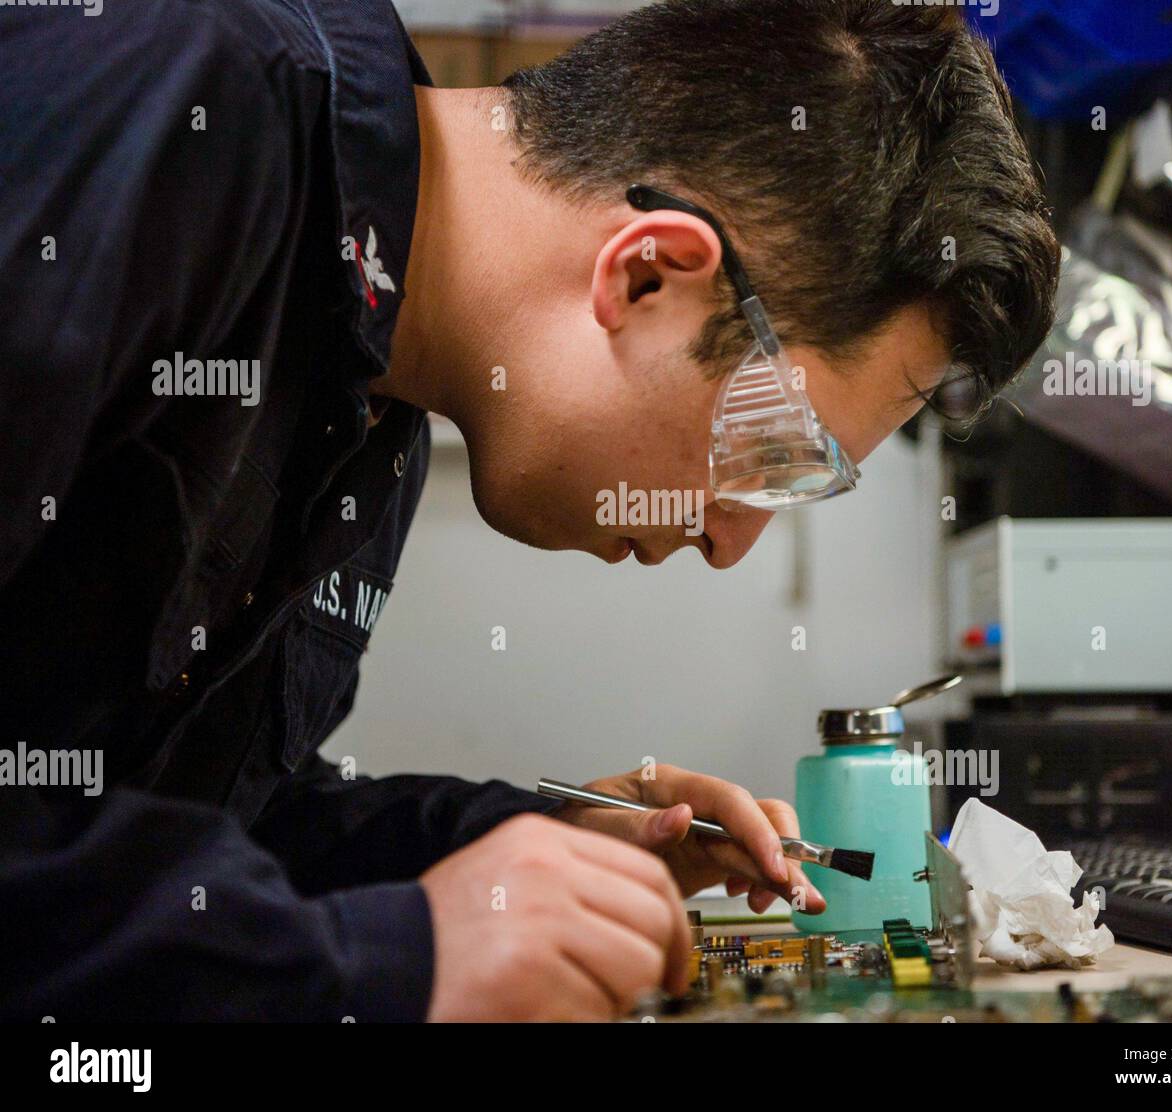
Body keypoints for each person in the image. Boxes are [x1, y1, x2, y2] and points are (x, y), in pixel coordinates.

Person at [0, 0, 1057, 1020]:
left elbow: (195, 832)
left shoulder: (375, 418)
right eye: (779, 457)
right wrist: (368, 964)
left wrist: (536, 845)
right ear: (647, 274)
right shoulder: (171, 95)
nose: (733, 542)